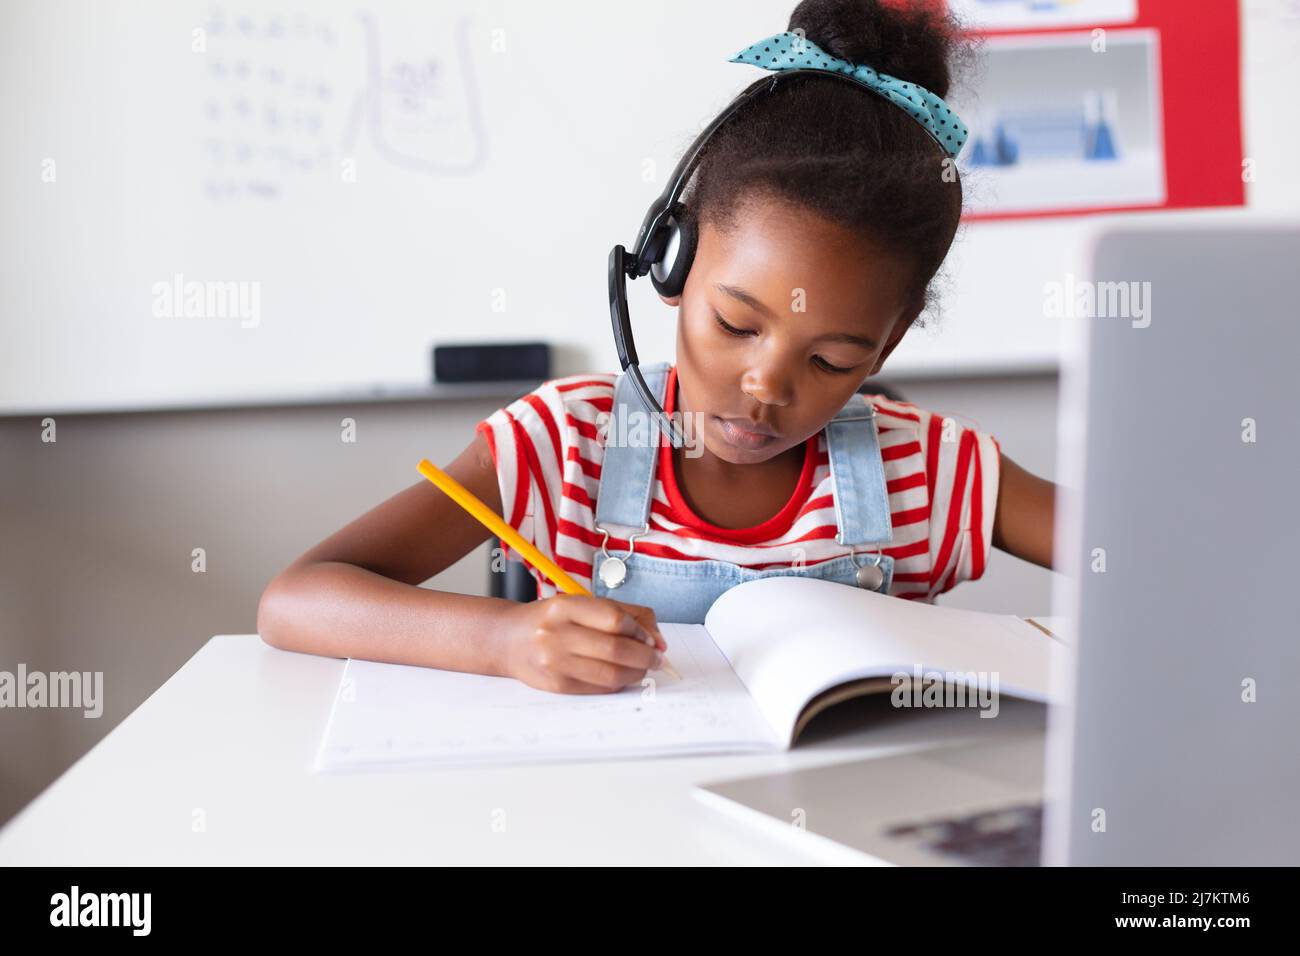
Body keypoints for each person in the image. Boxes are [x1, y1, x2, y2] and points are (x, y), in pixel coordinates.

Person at [258, 0, 1056, 695]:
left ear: (889, 344)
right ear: (669, 260)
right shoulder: (567, 441)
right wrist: (501, 642)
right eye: (737, 324)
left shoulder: (929, 471)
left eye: (831, 361)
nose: (766, 384)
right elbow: (296, 598)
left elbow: (1144, 556)